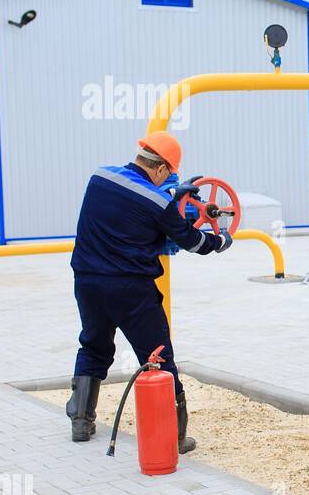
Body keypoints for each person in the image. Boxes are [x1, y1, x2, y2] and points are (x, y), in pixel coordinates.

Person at [67, 132, 232, 454]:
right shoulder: (159, 202)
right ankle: (174, 436)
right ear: (160, 171)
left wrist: (171, 196)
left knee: (94, 345)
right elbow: (192, 241)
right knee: (157, 357)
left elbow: (129, 211)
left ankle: (81, 421)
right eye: (168, 176)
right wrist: (220, 240)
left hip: (87, 281)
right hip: (131, 290)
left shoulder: (99, 177)